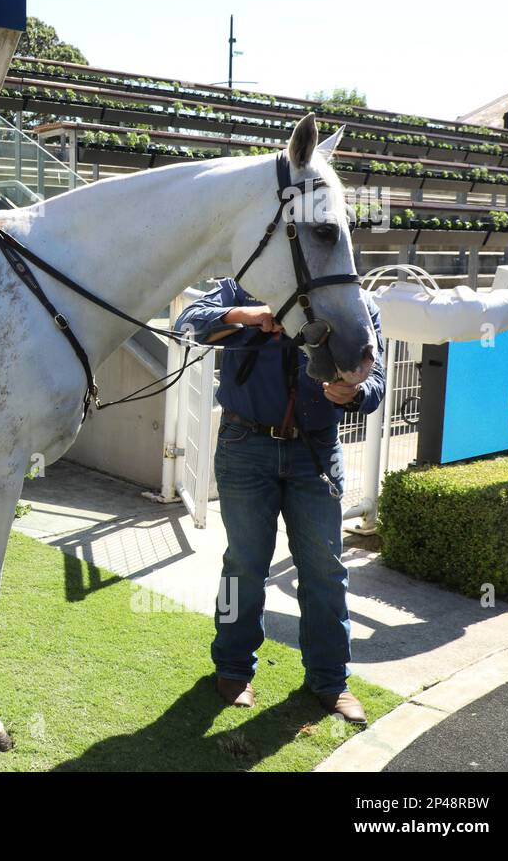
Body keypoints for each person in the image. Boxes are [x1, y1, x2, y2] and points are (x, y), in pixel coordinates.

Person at [175, 278, 386, 724]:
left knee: (325, 570)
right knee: (244, 564)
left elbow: (377, 377)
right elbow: (188, 323)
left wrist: (355, 393)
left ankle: (329, 681)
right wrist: (247, 315)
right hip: (243, 443)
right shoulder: (240, 286)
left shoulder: (355, 302)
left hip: (316, 452)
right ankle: (233, 669)